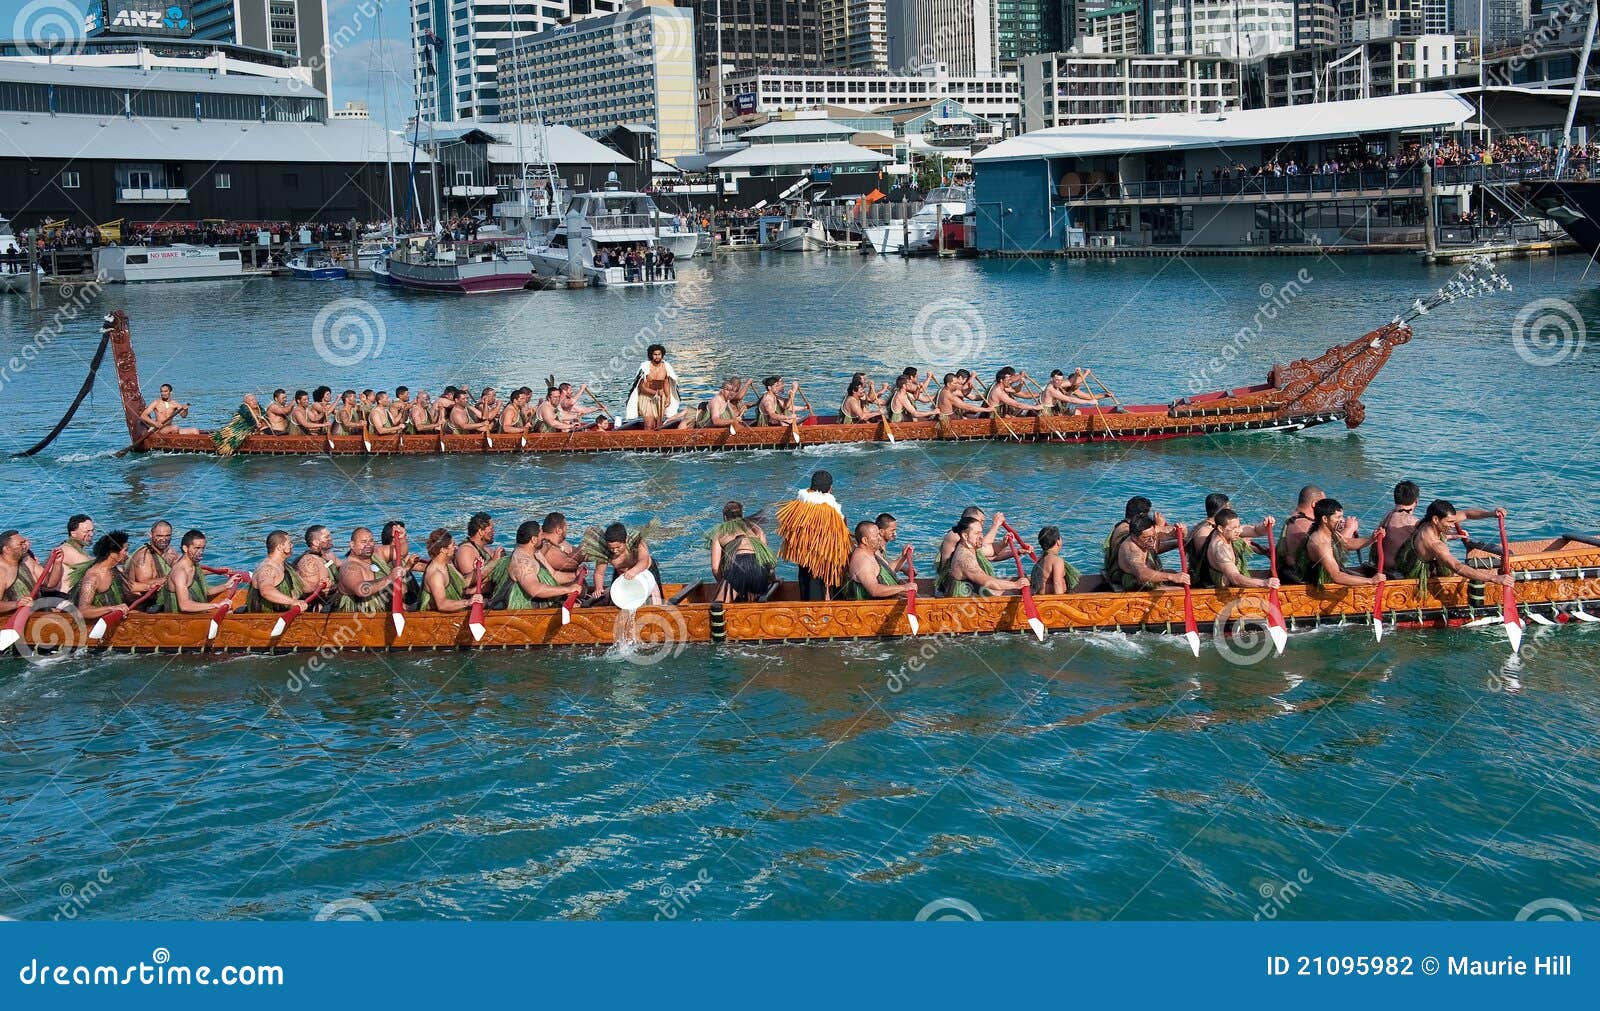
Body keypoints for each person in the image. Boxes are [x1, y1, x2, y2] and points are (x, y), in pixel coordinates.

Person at [1390, 500, 1514, 592]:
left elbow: (1466, 514)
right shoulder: (1434, 543)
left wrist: (1491, 513)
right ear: (1436, 519)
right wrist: (1494, 578)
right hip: (1418, 574)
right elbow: (1457, 567)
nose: (1452, 525)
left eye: (1453, 521)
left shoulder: (1427, 522)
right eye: (1449, 522)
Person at [777, 470, 851, 601]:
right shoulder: (831, 511)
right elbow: (842, 535)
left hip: (803, 555)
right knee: (819, 589)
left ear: (811, 487)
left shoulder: (797, 506)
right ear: (830, 488)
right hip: (824, 558)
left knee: (807, 587)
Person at [1276, 485, 1358, 581]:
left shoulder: (1294, 519)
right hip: (1302, 578)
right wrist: (1349, 529)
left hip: (1291, 572)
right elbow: (1337, 548)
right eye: (1324, 503)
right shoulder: (1305, 524)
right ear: (1314, 504)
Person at [1298, 498, 1383, 587]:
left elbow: (1347, 543)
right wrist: (1371, 581)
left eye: (1342, 516)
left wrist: (1371, 539)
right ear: (1325, 519)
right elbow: (1336, 576)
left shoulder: (1330, 532)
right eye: (1338, 517)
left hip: (1332, 578)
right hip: (1319, 586)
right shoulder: (1321, 544)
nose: (1342, 520)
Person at [938, 516, 1028, 597]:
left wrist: (1003, 544)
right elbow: (986, 581)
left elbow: (991, 549)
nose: (981, 536)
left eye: (981, 533)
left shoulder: (969, 546)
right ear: (965, 536)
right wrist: (1015, 585)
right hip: (964, 596)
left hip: (973, 587)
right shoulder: (965, 559)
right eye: (977, 533)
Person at [159, 529, 242, 613]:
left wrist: (226, 585)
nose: (201, 552)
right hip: (180, 619)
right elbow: (184, 605)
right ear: (185, 548)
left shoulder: (194, 566)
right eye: (197, 548)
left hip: (195, 614)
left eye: (203, 548)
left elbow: (206, 592)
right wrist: (216, 605)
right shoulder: (180, 572)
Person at [504, 520, 583, 609]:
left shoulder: (536, 553)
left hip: (542, 602)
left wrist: (575, 575)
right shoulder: (522, 562)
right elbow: (535, 590)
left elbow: (553, 575)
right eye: (541, 535)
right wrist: (567, 590)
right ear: (534, 539)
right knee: (582, 607)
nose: (544, 537)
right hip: (529, 608)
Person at [707, 501, 776, 602]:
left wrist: (723, 583)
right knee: (754, 602)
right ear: (742, 515)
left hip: (737, 567)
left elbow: (715, 568)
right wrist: (772, 578)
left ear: (725, 517)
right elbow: (767, 559)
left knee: (718, 606)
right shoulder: (755, 529)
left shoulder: (718, 532)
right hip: (759, 569)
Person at [333, 527, 415, 612]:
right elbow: (362, 590)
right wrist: (390, 578)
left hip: (384, 605)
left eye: (371, 541)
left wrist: (402, 538)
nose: (368, 545)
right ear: (352, 545)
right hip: (361, 613)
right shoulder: (350, 568)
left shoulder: (377, 553)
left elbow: (401, 553)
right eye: (363, 542)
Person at [1194, 509, 1279, 590]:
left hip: (1232, 578)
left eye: (1238, 526)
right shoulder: (1220, 549)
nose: (1238, 531)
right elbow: (1235, 578)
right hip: (1222, 587)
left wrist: (1264, 525)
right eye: (1234, 528)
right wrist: (1264, 583)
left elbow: (1256, 531)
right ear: (1220, 528)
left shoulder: (1227, 531)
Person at [585, 522, 663, 605]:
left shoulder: (636, 542)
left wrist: (634, 571)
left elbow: (644, 560)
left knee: (656, 602)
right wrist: (598, 588)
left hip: (646, 572)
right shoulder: (604, 550)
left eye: (618, 547)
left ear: (625, 540)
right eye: (611, 548)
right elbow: (599, 573)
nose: (615, 551)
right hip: (621, 574)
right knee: (616, 603)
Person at [1110, 515, 1191, 591]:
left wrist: (1181, 531)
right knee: (1180, 589)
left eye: (1153, 536)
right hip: (1136, 582)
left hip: (1145, 575)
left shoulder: (1149, 532)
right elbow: (1141, 573)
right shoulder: (1132, 550)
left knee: (1173, 571)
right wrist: (1172, 577)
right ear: (1134, 538)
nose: (1152, 541)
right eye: (1146, 538)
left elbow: (1173, 532)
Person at [841, 521, 911, 599]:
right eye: (876, 535)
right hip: (870, 608)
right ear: (865, 540)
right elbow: (874, 590)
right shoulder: (862, 560)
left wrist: (903, 557)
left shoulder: (871, 553)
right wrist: (903, 588)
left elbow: (888, 571)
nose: (880, 538)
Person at [419, 528, 483, 613]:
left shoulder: (448, 565)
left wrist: (477, 570)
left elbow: (464, 583)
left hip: (453, 610)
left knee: (488, 602)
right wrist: (467, 602)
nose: (456, 547)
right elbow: (442, 604)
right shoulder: (435, 575)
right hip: (435, 618)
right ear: (443, 550)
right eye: (453, 545)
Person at [74, 531, 131, 622]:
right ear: (112, 553)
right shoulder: (93, 577)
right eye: (125, 550)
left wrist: (149, 586)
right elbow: (83, 610)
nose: (128, 555)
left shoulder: (113, 569)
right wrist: (112, 608)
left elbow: (130, 586)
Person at [245, 531, 306, 612]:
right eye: (289, 543)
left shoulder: (284, 565)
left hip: (287, 611)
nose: (292, 545)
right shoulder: (267, 569)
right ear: (280, 547)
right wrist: (293, 602)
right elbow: (266, 591)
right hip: (266, 618)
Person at [625, 344, 682, 430]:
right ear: (651, 355)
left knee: (658, 424)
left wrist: (668, 397)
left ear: (662, 355)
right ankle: (646, 441)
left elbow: (666, 382)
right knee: (649, 423)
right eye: (655, 354)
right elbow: (641, 387)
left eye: (659, 354)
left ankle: (657, 442)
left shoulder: (666, 367)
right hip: (646, 397)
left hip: (660, 397)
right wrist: (655, 393)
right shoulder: (645, 367)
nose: (657, 357)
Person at [39, 514, 95, 599]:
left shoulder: (78, 550)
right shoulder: (66, 549)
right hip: (57, 597)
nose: (91, 534)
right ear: (73, 534)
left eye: (92, 530)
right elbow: (93, 567)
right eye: (86, 531)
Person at [454, 512, 508, 596]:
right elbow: (469, 582)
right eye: (491, 529)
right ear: (481, 531)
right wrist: (494, 561)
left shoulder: (487, 550)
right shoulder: (465, 551)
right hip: (472, 598)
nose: (494, 532)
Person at [126, 521, 178, 599]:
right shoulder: (144, 557)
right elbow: (143, 583)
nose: (164, 539)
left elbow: (180, 568)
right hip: (143, 602)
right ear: (150, 535)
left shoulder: (170, 552)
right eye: (159, 536)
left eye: (167, 536)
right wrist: (173, 578)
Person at [0, 530, 44, 619]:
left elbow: (50, 583)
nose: (25, 546)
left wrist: (57, 563)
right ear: (7, 549)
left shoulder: (26, 559)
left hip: (37, 612)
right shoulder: (1, 571)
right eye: (21, 544)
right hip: (11, 618)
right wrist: (17, 604)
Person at [293, 525, 338, 603]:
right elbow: (306, 591)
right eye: (327, 537)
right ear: (316, 542)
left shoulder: (329, 555)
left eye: (330, 536)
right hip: (317, 606)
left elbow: (344, 565)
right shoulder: (309, 562)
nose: (330, 538)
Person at [1029, 526, 1079, 595]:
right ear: (1058, 542)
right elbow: (1057, 583)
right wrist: (1061, 603)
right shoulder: (1057, 561)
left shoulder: (1039, 562)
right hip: (1052, 601)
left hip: (1041, 598)